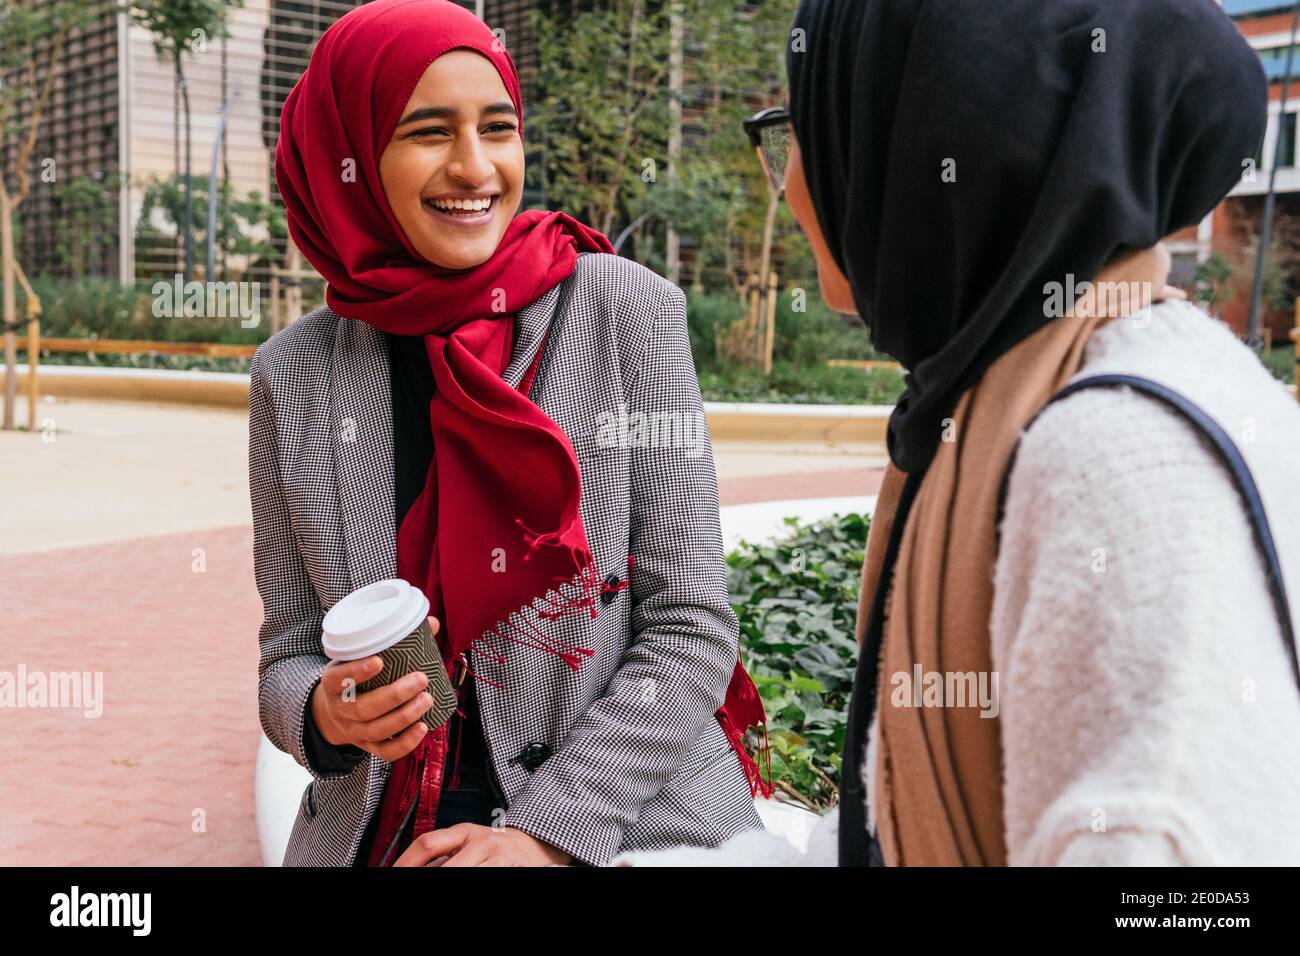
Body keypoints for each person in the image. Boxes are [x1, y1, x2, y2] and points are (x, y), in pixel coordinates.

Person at [616, 0, 1300, 867]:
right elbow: (895, 834)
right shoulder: (1010, 392)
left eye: (805, 133)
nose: (787, 185)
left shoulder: (1122, 454)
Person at [251, 0, 767, 868]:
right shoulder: (292, 376)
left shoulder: (626, 312)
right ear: (348, 159)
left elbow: (691, 624)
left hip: (624, 821)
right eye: (427, 132)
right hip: (384, 830)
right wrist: (324, 713)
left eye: (498, 127)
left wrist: (544, 835)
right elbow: (287, 654)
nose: (475, 166)